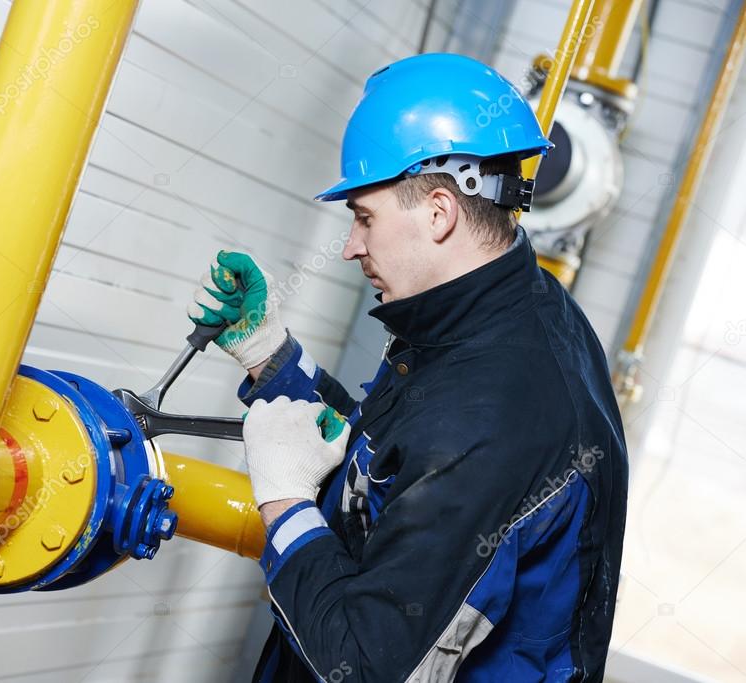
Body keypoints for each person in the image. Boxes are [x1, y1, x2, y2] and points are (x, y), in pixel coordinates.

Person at [187, 54, 628, 682]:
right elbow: (396, 466)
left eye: (364, 218)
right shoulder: (496, 313)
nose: (350, 247)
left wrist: (285, 504)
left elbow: (362, 666)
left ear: (440, 213)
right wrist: (273, 360)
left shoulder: (498, 415)